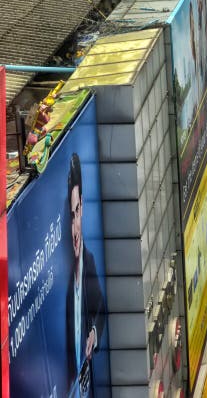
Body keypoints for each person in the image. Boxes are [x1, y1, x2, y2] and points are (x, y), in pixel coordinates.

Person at [66, 154, 106, 390]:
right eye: (71, 216)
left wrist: (93, 333)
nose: (75, 228)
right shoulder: (67, 284)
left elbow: (100, 306)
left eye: (77, 212)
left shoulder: (88, 261)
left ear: (83, 206)